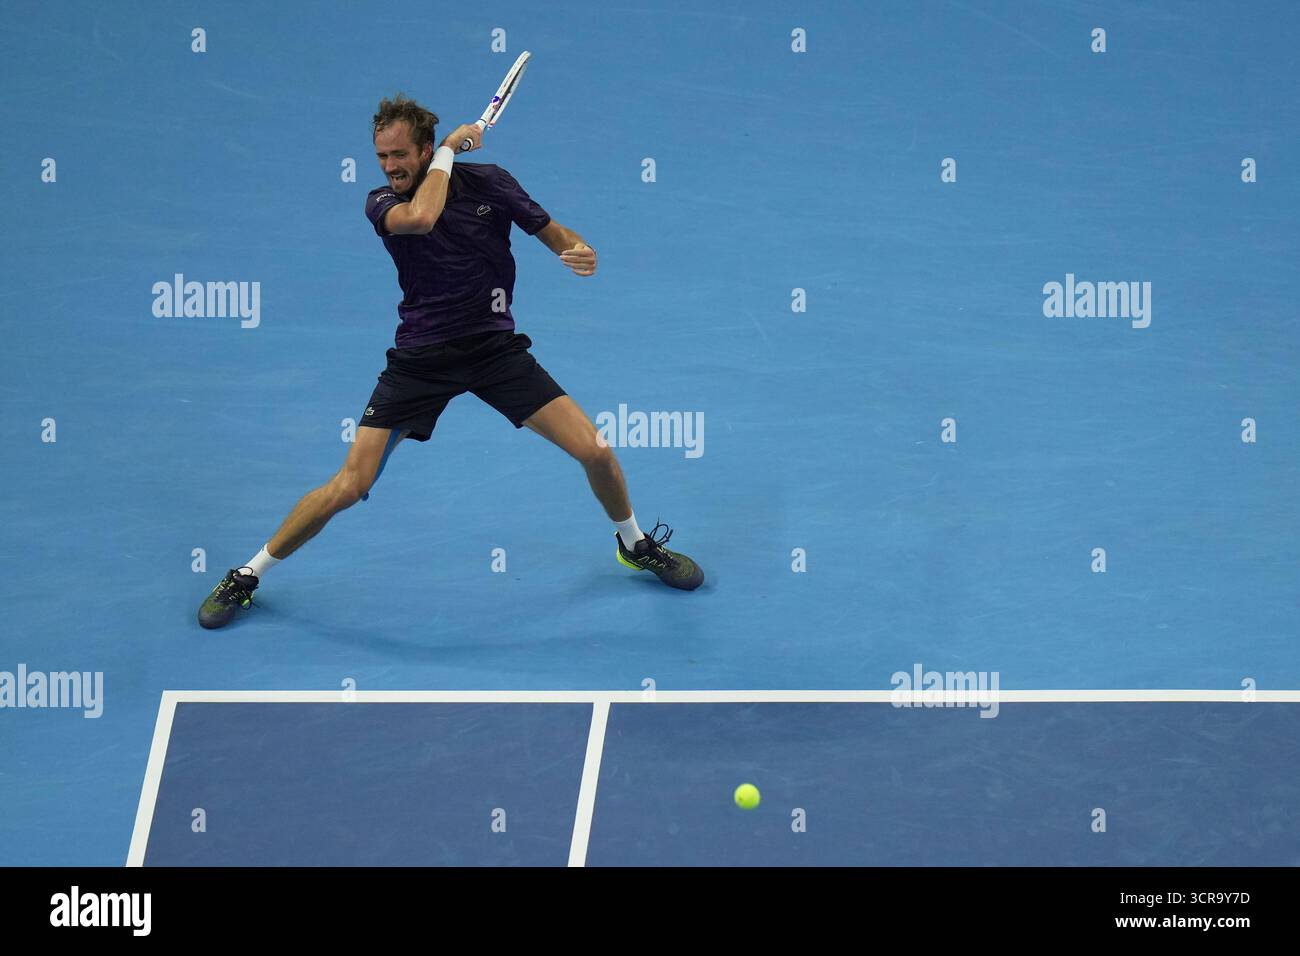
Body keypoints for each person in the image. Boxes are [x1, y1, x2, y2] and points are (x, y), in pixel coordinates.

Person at [197, 95, 704, 629]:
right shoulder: (381, 203)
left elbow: (557, 235)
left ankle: (634, 543)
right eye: (381, 158)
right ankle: (247, 574)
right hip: (420, 360)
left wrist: (578, 251)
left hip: (494, 352)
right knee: (351, 485)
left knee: (596, 450)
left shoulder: (491, 182)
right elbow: (423, 217)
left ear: (422, 149)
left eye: (399, 155)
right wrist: (444, 152)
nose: (390, 168)